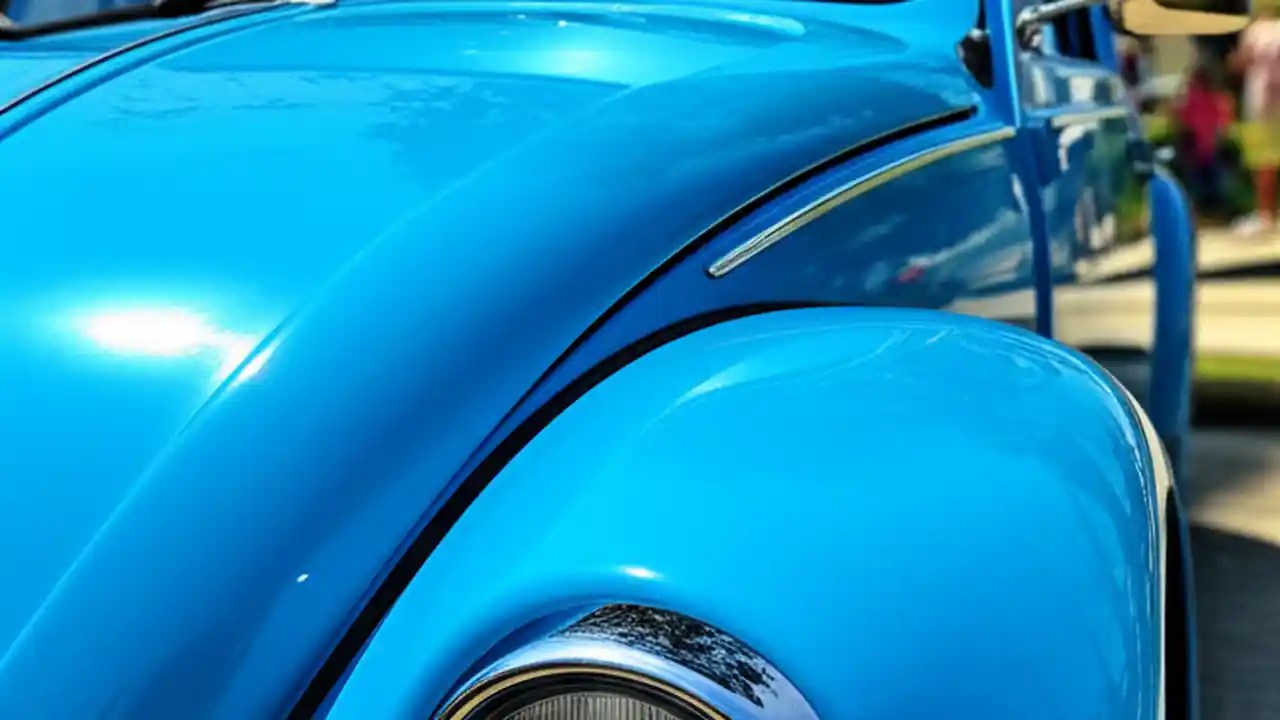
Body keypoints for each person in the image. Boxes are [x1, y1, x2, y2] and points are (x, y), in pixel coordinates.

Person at [1231, 9, 1280, 235]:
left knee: (1264, 163)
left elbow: (1241, 62)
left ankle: (1266, 215)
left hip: (1262, 104)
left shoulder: (1255, 30)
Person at [1174, 65, 1234, 218]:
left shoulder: (1206, 99)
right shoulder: (1214, 99)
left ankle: (1208, 210)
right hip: (1201, 147)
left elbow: (1180, 118)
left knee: (1206, 181)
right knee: (1205, 181)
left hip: (1203, 147)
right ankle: (1208, 210)